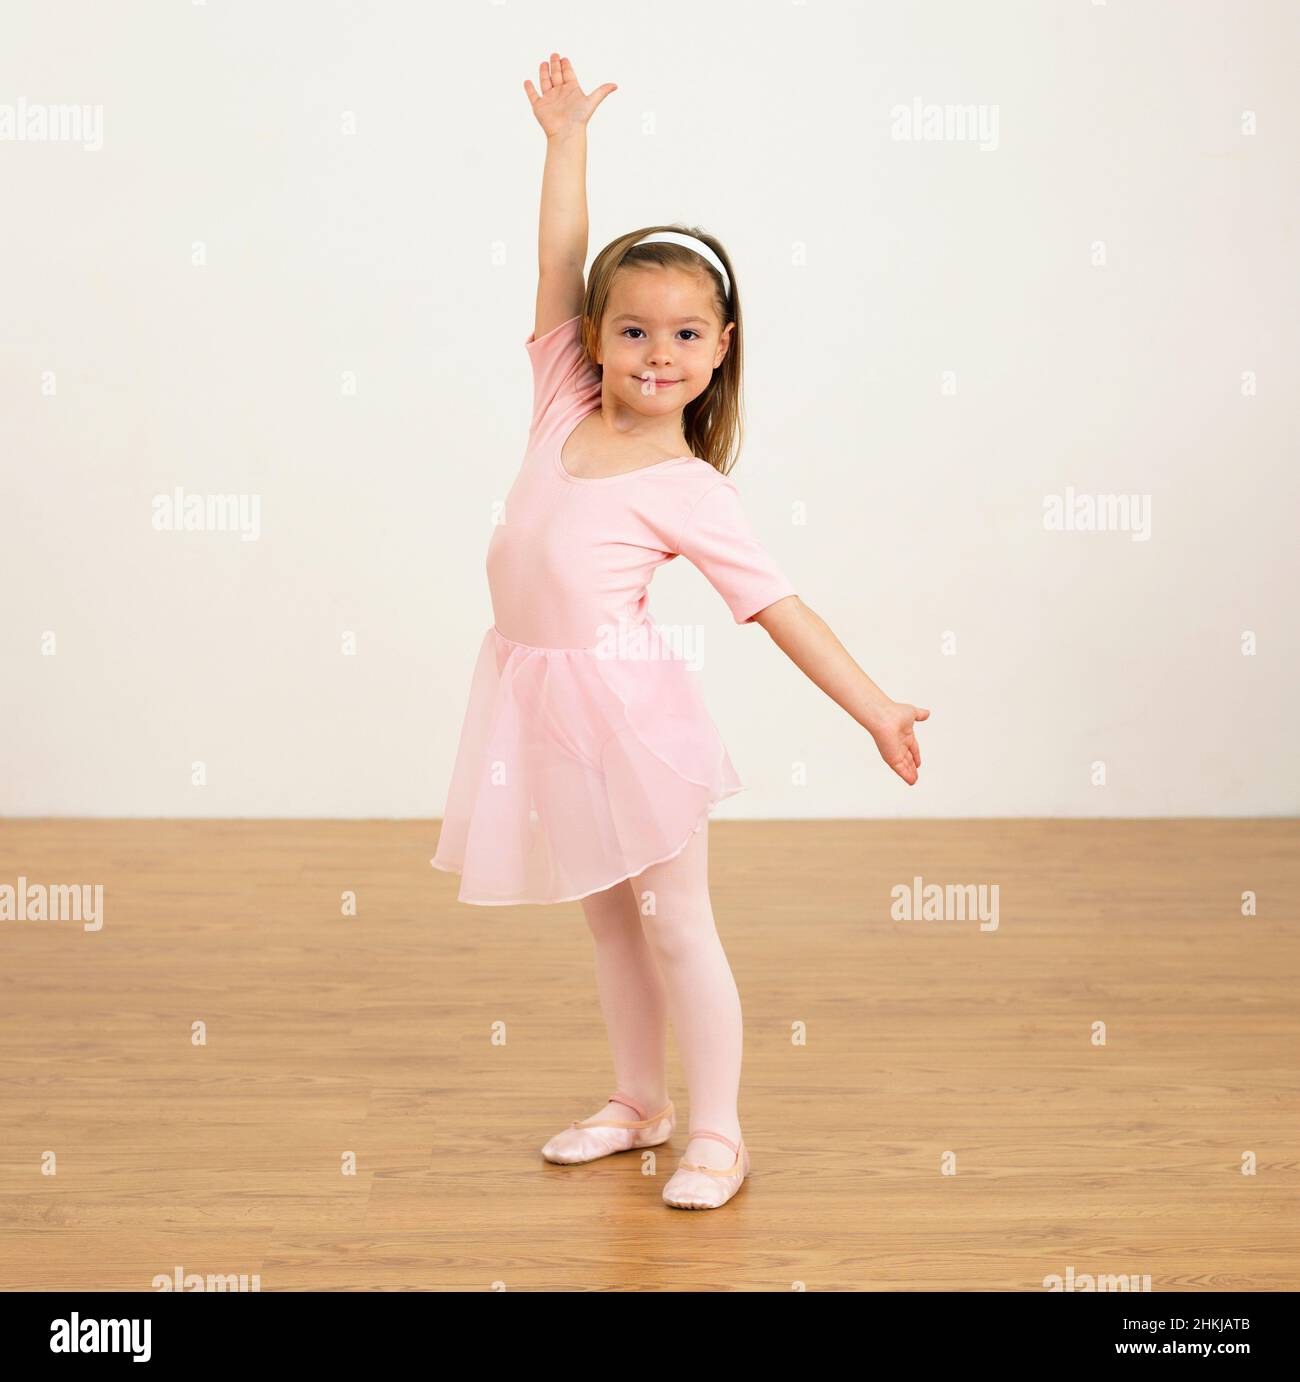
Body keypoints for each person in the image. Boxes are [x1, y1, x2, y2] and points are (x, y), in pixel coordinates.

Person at [432, 53, 930, 1210]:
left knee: (676, 926)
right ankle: (636, 1100)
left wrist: (875, 707)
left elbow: (779, 611)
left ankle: (718, 1130)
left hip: (629, 717)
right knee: (608, 925)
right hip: (536, 702)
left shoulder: (689, 484)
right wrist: (566, 146)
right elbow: (561, 266)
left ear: (720, 349)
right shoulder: (562, 394)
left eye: (686, 336)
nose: (657, 354)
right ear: (596, 340)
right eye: (634, 331)